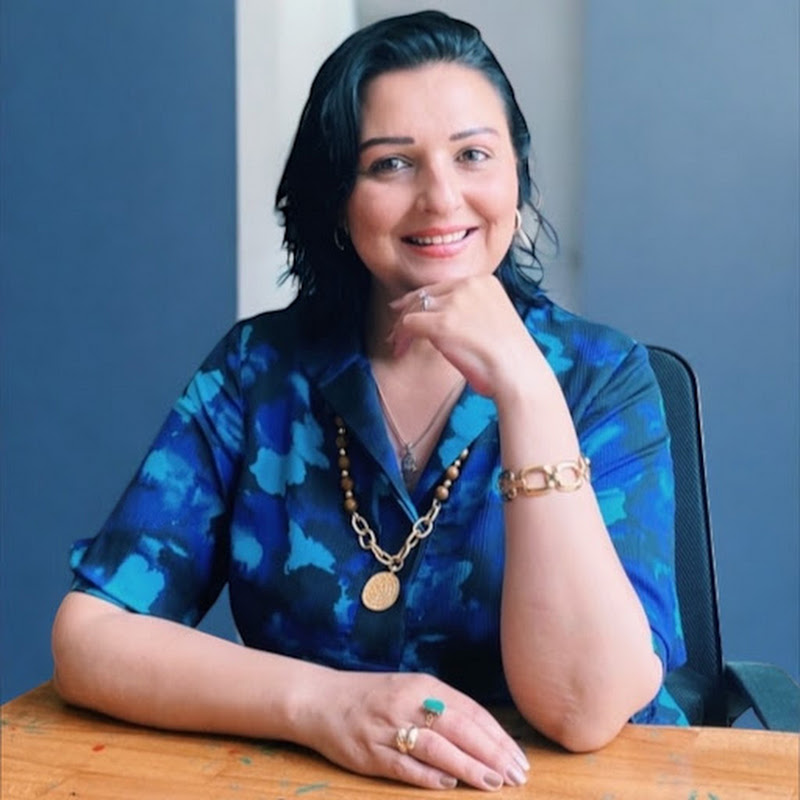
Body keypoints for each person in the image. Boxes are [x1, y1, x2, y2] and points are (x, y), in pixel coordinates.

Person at [51, 10, 687, 793]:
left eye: (473, 155)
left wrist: (527, 390)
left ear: (516, 178)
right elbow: (92, 635)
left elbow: (582, 712)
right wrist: (325, 706)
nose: (441, 198)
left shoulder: (601, 376)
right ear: (338, 200)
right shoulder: (259, 371)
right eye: (392, 164)